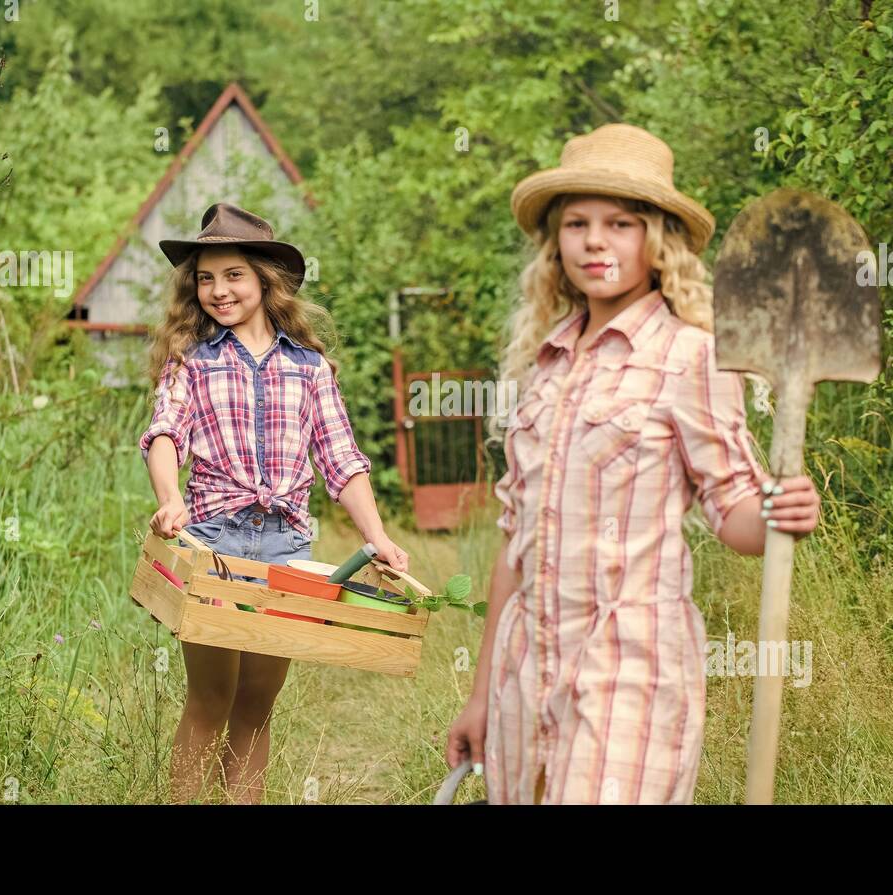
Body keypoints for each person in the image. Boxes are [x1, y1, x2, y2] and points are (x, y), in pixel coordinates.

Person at [446, 124, 821, 804]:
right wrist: (480, 694)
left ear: (658, 241)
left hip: (630, 667)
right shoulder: (543, 365)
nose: (595, 241)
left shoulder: (691, 356)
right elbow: (514, 539)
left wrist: (775, 512)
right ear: (555, 244)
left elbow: (733, 509)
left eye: (620, 224)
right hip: (525, 669)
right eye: (577, 224)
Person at [140, 203, 409, 804]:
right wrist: (169, 498)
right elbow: (164, 435)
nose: (219, 290)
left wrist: (378, 538)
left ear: (265, 280)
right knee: (210, 698)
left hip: (288, 550)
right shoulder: (193, 362)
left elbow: (342, 460)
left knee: (257, 705)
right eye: (206, 278)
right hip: (213, 543)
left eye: (233, 275)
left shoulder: (309, 369)